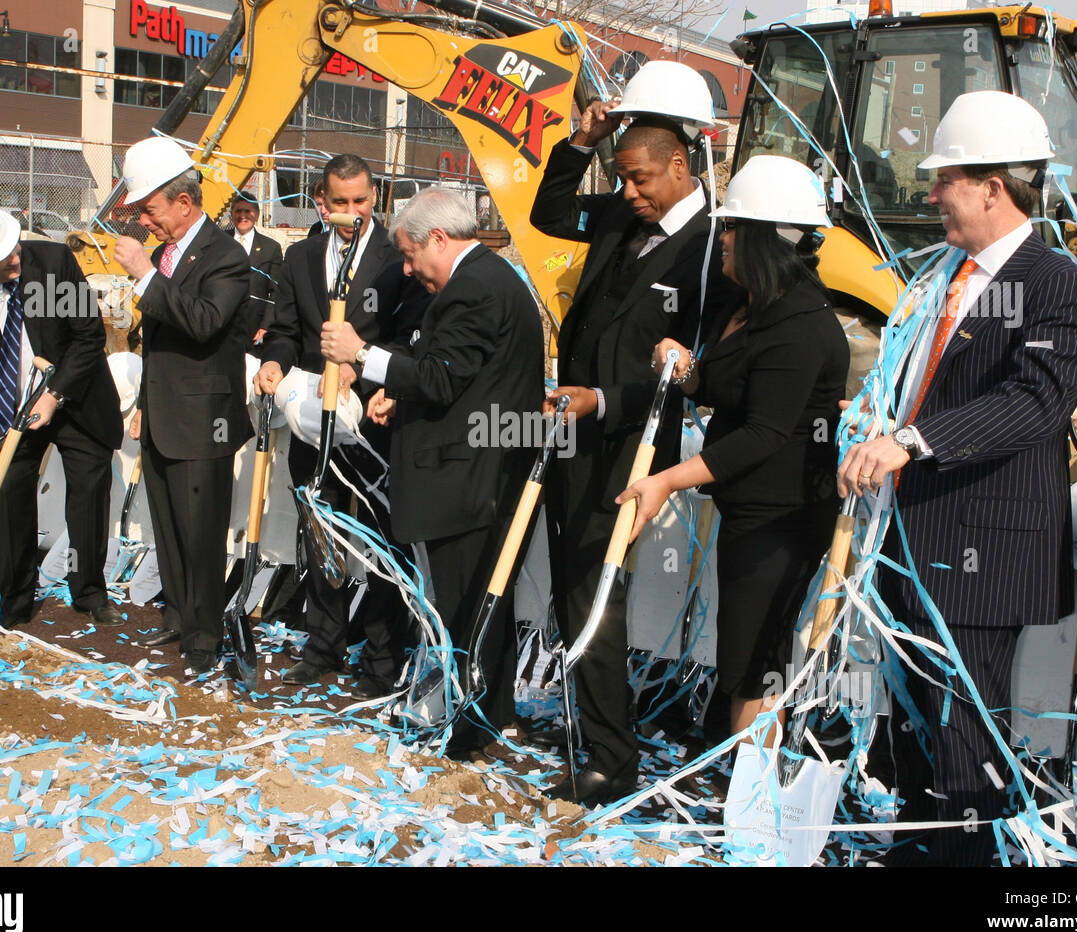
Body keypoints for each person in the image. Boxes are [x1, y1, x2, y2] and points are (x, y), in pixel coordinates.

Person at [836, 92, 1077, 865]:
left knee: (962, 732)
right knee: (911, 719)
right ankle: (918, 847)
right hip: (911, 539)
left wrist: (913, 441)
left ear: (993, 186)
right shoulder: (941, 279)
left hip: (982, 550)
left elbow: (1036, 402)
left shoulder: (1052, 282)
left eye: (945, 178)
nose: (931, 194)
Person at [530, 61, 734, 805]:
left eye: (642, 178)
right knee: (573, 591)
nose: (630, 192)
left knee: (597, 594)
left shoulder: (714, 248)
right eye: (621, 177)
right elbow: (550, 214)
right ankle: (591, 724)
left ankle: (612, 760)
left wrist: (604, 403)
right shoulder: (621, 217)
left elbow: (693, 366)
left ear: (682, 166)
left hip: (633, 444)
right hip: (573, 430)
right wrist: (582, 143)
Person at [616, 156, 847, 742]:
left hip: (785, 515)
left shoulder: (801, 325)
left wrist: (668, 479)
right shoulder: (750, 307)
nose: (723, 238)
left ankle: (753, 796)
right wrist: (688, 372)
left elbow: (764, 434)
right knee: (742, 639)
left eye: (735, 228)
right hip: (751, 510)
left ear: (767, 239)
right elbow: (728, 389)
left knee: (756, 655)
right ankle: (734, 764)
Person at [320, 185, 543, 755]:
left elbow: (443, 378)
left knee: (468, 604)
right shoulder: (488, 279)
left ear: (438, 239)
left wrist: (362, 356)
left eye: (411, 254)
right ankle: (486, 714)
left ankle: (472, 728)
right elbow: (456, 372)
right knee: (478, 602)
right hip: (478, 471)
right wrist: (400, 389)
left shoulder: (474, 289)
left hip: (467, 477)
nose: (408, 268)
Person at [255, 153, 427, 693]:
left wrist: (366, 369)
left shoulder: (395, 255)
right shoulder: (300, 256)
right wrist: (274, 361)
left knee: (380, 536)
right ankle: (323, 643)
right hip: (312, 416)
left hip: (373, 418)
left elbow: (411, 334)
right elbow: (285, 328)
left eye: (361, 201)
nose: (351, 212)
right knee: (319, 530)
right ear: (320, 203)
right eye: (340, 203)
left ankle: (381, 655)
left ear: (374, 198)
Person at [0, 199, 123, 629]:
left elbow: (89, 337)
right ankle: (16, 603)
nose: (17, 257)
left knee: (88, 498)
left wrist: (54, 395)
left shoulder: (53, 262)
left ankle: (90, 591)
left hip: (76, 398)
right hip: (8, 408)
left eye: (16, 247)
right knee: (8, 502)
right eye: (4, 259)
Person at [112, 137, 252, 675]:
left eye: (150, 209)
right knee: (166, 524)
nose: (146, 221)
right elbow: (160, 345)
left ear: (183, 202)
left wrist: (145, 275)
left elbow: (201, 322)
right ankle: (176, 611)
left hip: (204, 418)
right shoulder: (171, 252)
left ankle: (204, 632)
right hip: (164, 412)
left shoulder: (225, 256)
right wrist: (144, 403)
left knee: (201, 529)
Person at [225, 192, 283, 351]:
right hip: (223, 326)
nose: (243, 215)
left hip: (254, 330)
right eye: (238, 211)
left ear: (256, 215)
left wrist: (266, 325)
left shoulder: (271, 248)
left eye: (248, 211)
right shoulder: (219, 241)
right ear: (232, 214)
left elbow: (275, 291)